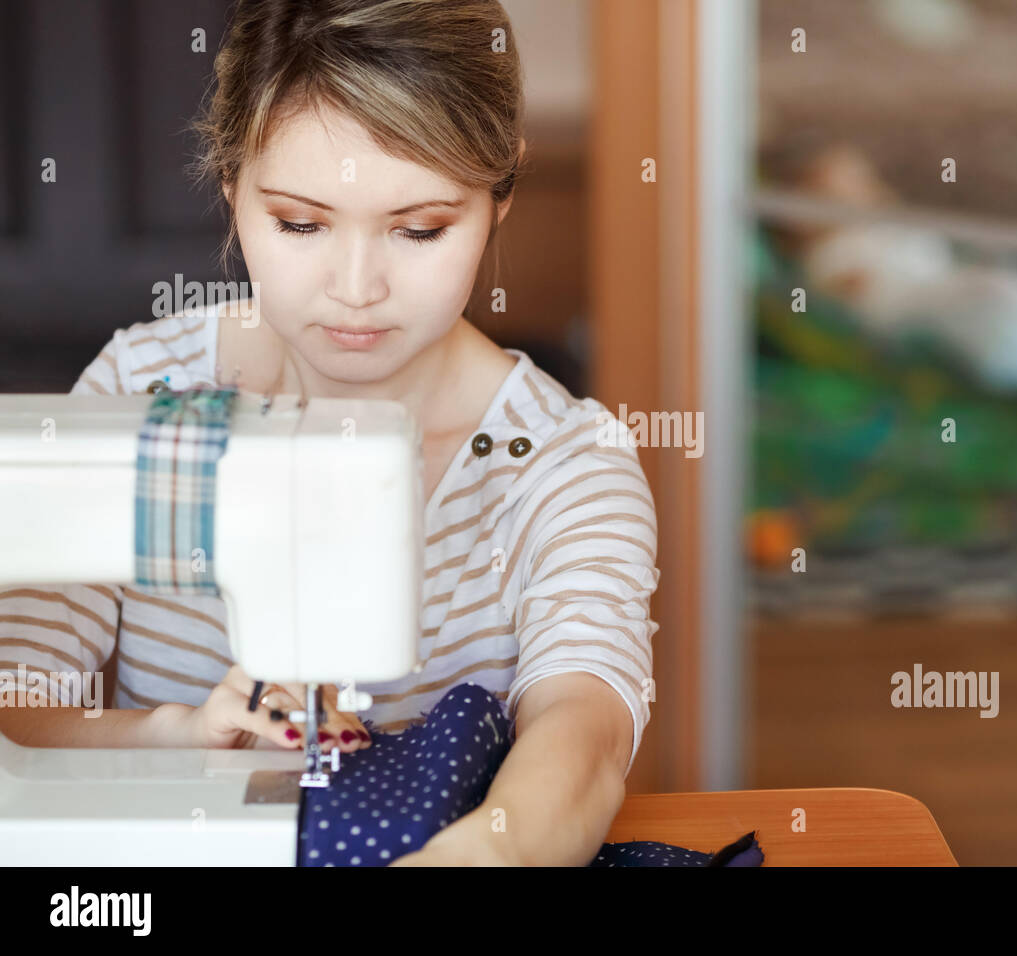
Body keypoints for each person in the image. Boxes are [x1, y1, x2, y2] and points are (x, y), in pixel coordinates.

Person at [0, 0, 658, 867]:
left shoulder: (566, 464)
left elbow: (585, 733)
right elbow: (21, 701)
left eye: (420, 230)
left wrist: (486, 857)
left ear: (499, 197)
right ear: (232, 188)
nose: (356, 288)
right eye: (300, 224)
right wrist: (178, 733)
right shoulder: (144, 390)